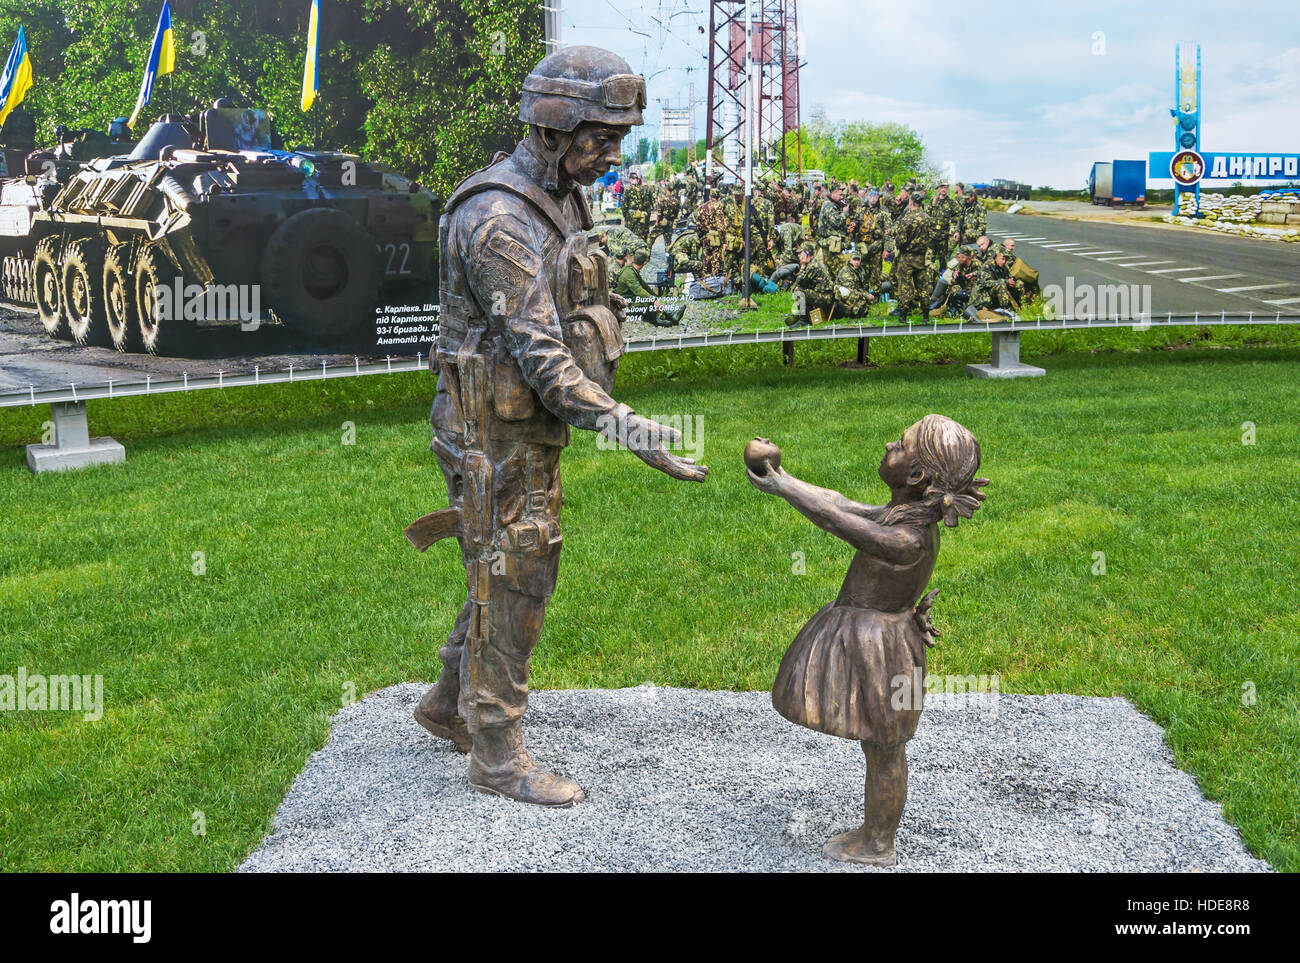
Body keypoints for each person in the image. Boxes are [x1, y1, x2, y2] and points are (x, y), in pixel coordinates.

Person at [412, 45, 707, 808]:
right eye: (600, 136)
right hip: (489, 432)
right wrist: (630, 427)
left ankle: (451, 703)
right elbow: (542, 359)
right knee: (518, 566)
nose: (615, 153)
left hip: (521, 428)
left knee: (505, 563)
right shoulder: (497, 222)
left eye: (619, 136)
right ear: (551, 127)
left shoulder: (561, 198)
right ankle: (498, 753)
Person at [746, 415, 988, 865]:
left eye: (899, 444)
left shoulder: (907, 539)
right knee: (880, 746)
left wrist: (785, 491)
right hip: (878, 638)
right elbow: (840, 502)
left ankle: (879, 843)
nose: (888, 444)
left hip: (883, 649)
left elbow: (836, 520)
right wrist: (784, 479)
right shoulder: (903, 515)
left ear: (916, 475)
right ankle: (875, 833)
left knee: (885, 749)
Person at [613, 248, 684, 326]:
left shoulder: (631, 270)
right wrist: (653, 301)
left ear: (633, 259)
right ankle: (657, 320)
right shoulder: (629, 273)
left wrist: (656, 298)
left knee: (649, 301)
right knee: (647, 304)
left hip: (630, 300)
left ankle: (670, 314)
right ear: (644, 263)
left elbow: (645, 287)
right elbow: (638, 290)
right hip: (625, 303)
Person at [888, 192, 931, 321]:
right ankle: (926, 316)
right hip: (922, 257)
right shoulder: (927, 218)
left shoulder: (907, 219)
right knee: (923, 286)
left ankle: (903, 316)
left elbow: (900, 241)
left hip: (907, 258)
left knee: (905, 286)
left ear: (911, 202)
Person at [788, 243, 834, 326]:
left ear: (807, 253)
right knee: (802, 290)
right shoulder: (813, 263)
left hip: (825, 298)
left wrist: (802, 267)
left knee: (799, 291)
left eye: (800, 253)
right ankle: (805, 317)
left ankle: (803, 320)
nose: (798, 256)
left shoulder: (813, 266)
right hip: (824, 296)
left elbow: (799, 283)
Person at [834, 250, 876, 318]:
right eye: (854, 259)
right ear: (850, 260)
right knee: (856, 298)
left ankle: (858, 309)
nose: (856, 262)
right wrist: (866, 295)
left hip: (856, 292)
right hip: (845, 295)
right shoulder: (846, 272)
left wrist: (867, 294)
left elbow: (863, 285)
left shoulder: (860, 270)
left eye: (858, 260)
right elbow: (852, 289)